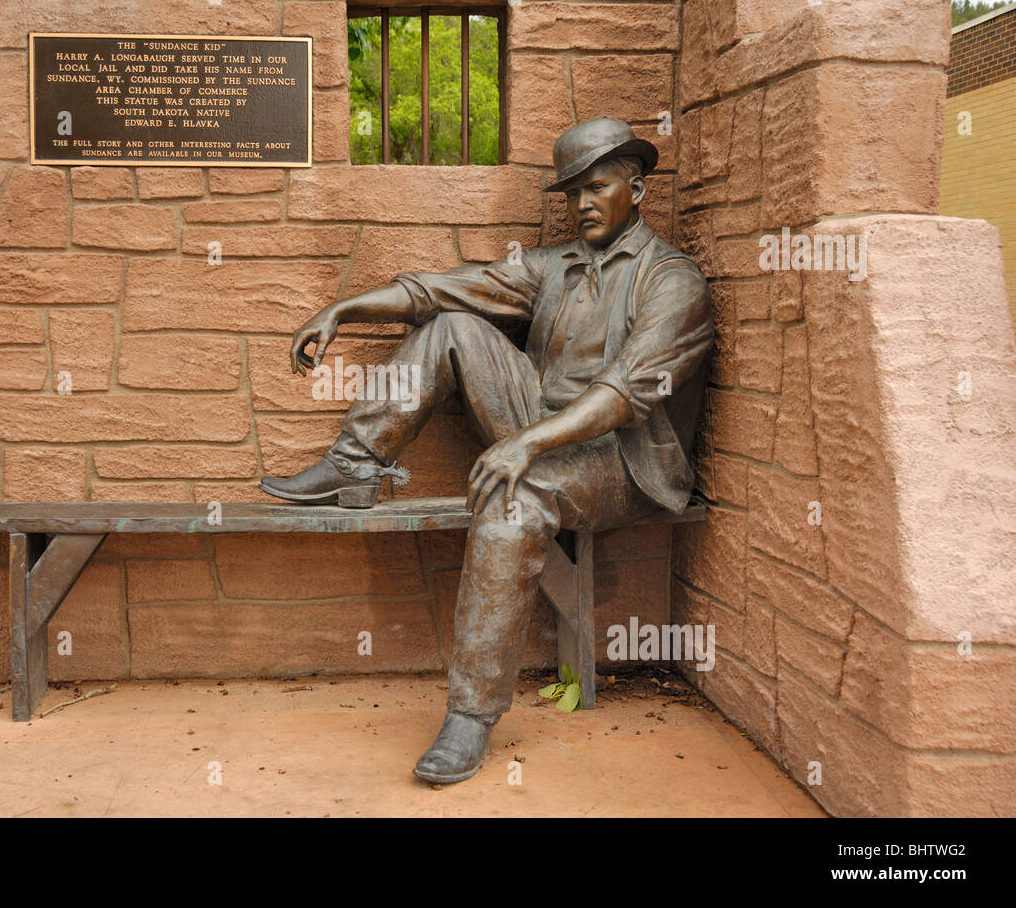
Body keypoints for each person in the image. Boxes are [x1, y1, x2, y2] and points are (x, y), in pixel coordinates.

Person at [260, 118, 715, 784]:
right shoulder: (554, 266)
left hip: (625, 458)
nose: (582, 204)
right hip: (541, 421)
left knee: (516, 494)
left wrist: (523, 445)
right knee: (453, 324)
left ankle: (470, 713)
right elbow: (440, 289)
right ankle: (355, 463)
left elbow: (621, 397)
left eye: (597, 187)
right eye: (571, 193)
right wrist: (345, 308)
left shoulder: (673, 282)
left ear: (637, 188)